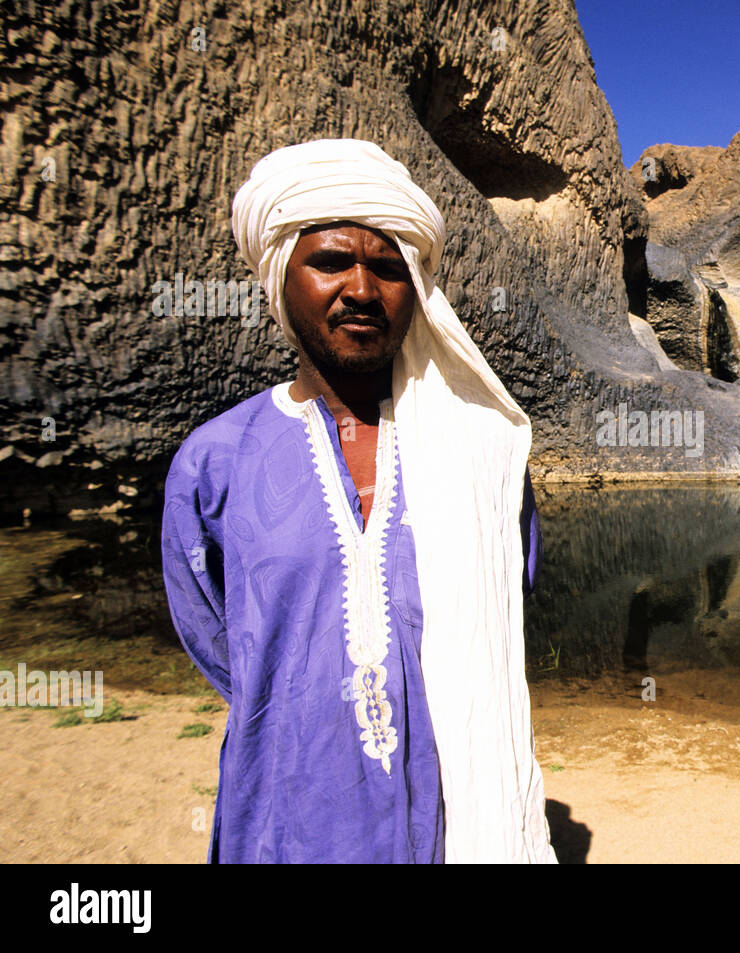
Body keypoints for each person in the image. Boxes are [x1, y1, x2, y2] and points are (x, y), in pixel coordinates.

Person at [161, 138, 556, 863]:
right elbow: (220, 638)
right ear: (281, 274)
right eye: (331, 262)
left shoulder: (482, 456)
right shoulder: (215, 463)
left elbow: (504, 608)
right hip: (282, 822)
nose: (363, 290)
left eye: (386, 267)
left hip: (443, 830)